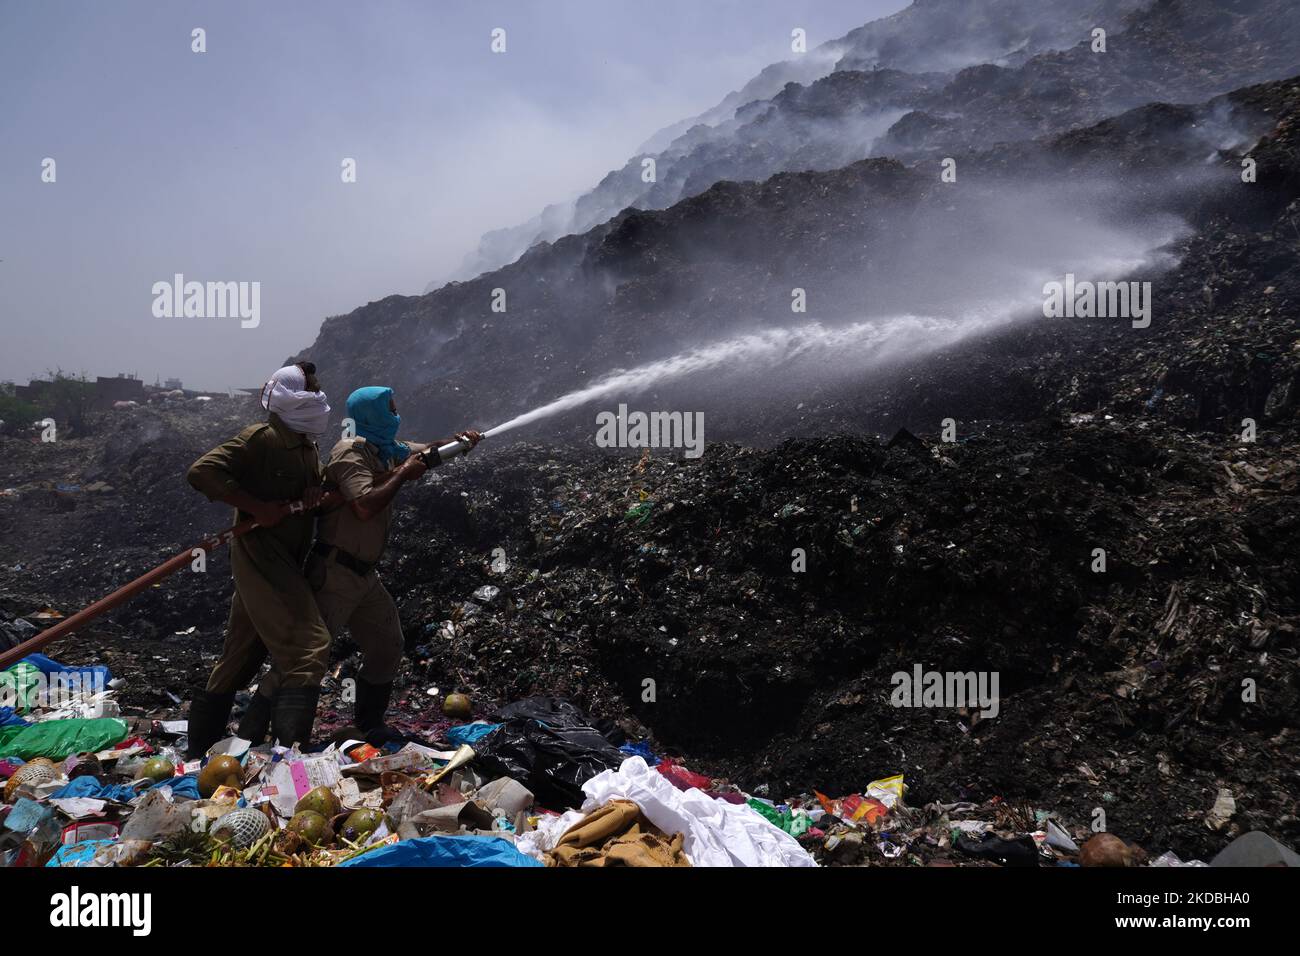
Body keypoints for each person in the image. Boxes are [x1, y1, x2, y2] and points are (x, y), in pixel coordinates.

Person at [236, 385, 481, 745]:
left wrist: (459, 442)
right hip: (335, 573)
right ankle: (261, 736)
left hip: (364, 576)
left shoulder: (386, 451)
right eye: (390, 409)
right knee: (306, 658)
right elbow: (364, 504)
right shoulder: (350, 454)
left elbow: (423, 452)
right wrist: (402, 476)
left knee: (387, 644)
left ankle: (370, 723)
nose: (397, 415)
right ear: (372, 415)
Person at [183, 363, 332, 757]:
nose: (316, 394)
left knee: (240, 656)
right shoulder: (261, 439)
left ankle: (199, 753)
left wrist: (313, 496)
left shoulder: (306, 444)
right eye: (308, 388)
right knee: (309, 646)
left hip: (287, 555)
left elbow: (305, 495)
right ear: (287, 397)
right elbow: (202, 471)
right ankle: (290, 757)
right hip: (260, 555)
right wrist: (256, 507)